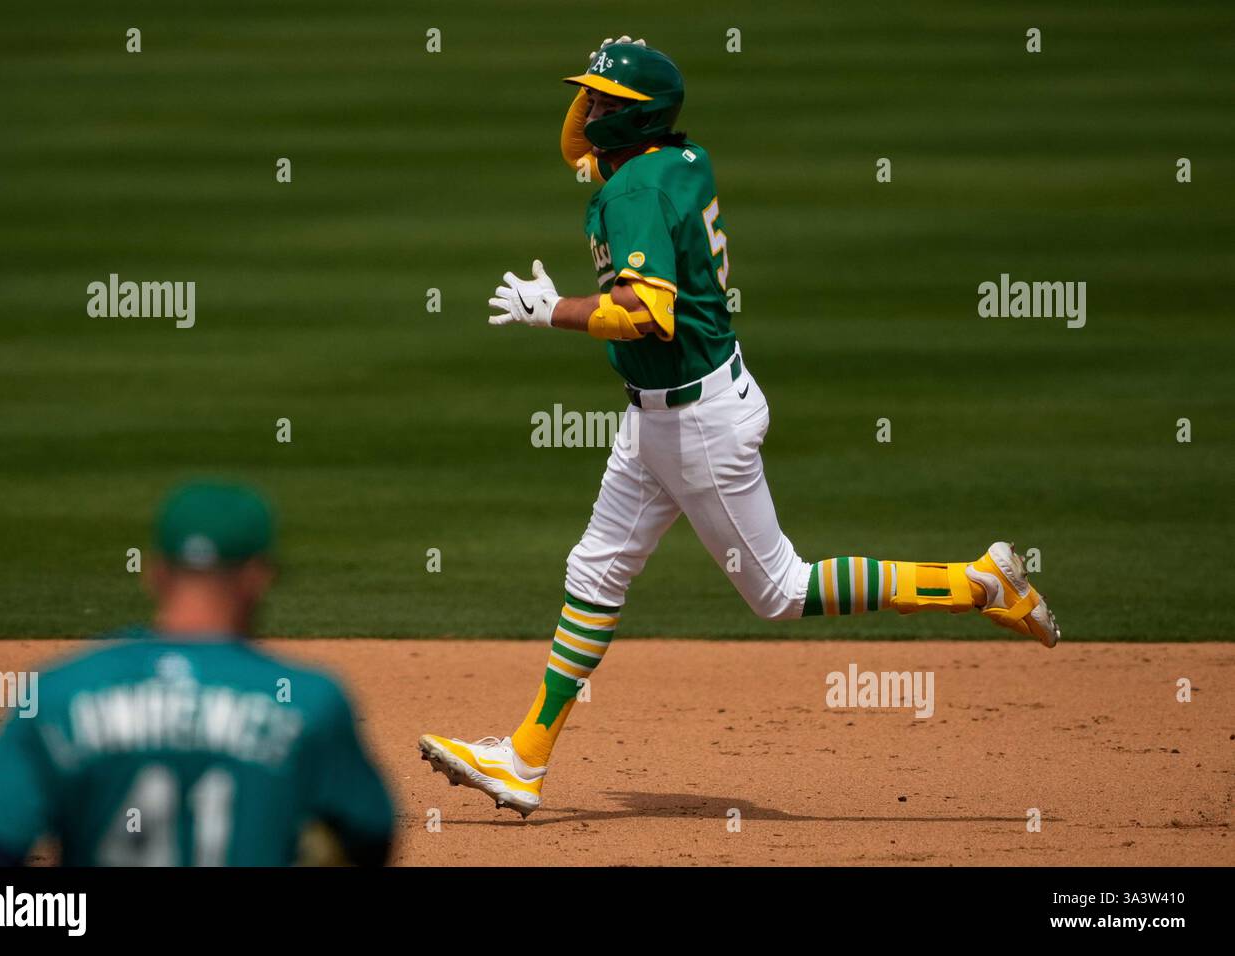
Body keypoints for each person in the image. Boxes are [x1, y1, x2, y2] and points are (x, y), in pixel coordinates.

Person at [420, 38, 1059, 818]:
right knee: (595, 571)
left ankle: (978, 583)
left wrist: (546, 310)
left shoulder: (633, 193)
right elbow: (576, 152)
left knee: (781, 592)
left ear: (635, 118)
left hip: (697, 427)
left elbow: (645, 315)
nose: (584, 112)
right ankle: (524, 757)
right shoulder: (679, 161)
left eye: (599, 101)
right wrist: (600, 96)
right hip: (665, 419)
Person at [0, 481, 395, 866]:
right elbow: (371, 841)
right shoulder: (310, 701)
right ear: (258, 578)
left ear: (155, 573)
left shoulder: (60, 691)